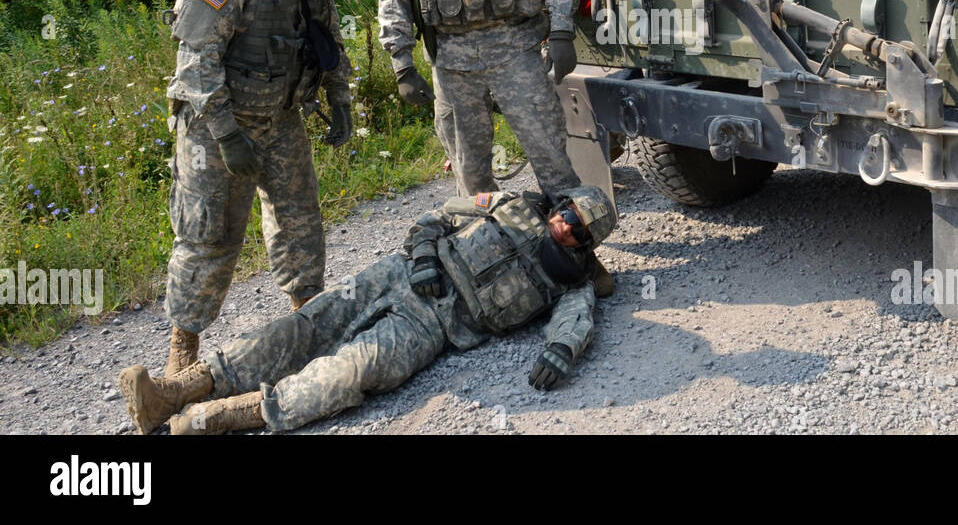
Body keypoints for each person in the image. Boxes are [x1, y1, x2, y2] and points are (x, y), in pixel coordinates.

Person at [118, 186, 616, 435]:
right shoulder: (511, 203)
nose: (568, 227)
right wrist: (423, 254)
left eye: (581, 231)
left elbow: (576, 320)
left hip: (433, 327)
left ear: (586, 245)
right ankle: (174, 391)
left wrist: (562, 351)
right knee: (303, 327)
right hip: (399, 275)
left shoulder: (567, 281)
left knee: (351, 370)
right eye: (569, 214)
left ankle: (212, 418)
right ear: (561, 205)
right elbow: (439, 215)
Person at [377, 0, 613, 295]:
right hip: (454, 65)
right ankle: (488, 273)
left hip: (515, 54)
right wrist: (402, 64)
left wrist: (564, 31)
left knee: (553, 163)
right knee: (472, 178)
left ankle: (583, 261)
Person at [161, 0, 354, 378]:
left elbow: (328, 41)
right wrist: (226, 135)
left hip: (281, 118)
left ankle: (308, 317)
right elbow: (196, 62)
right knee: (210, 236)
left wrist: (341, 102)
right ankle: (184, 346)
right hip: (215, 125)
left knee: (300, 218)